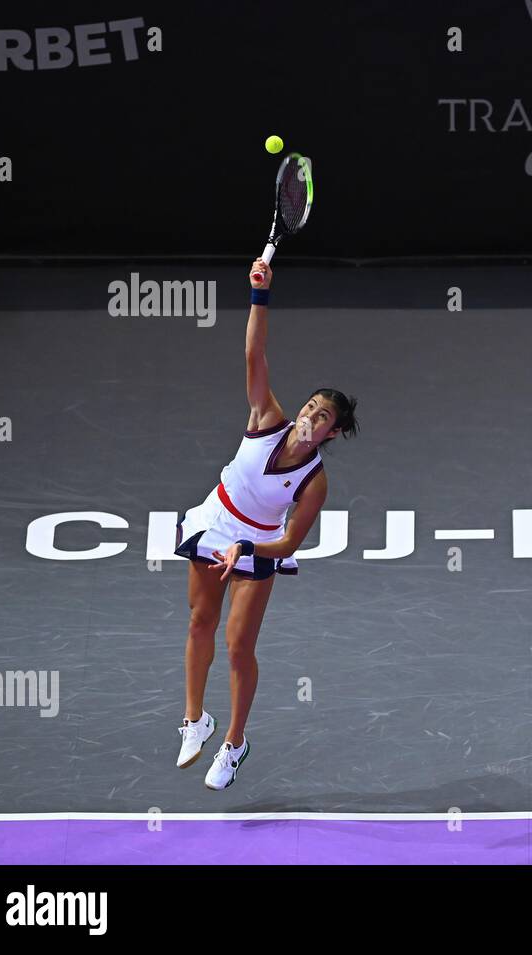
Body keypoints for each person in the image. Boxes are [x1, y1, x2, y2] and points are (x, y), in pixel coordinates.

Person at [172, 259, 358, 789]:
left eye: (323, 417)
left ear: (332, 434)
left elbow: (289, 542)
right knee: (199, 622)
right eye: (311, 406)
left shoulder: (314, 483)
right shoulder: (265, 419)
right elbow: (255, 354)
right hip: (215, 520)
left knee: (237, 647)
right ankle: (194, 720)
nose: (311, 416)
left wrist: (247, 550)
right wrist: (260, 295)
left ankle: (233, 742)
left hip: (257, 547)